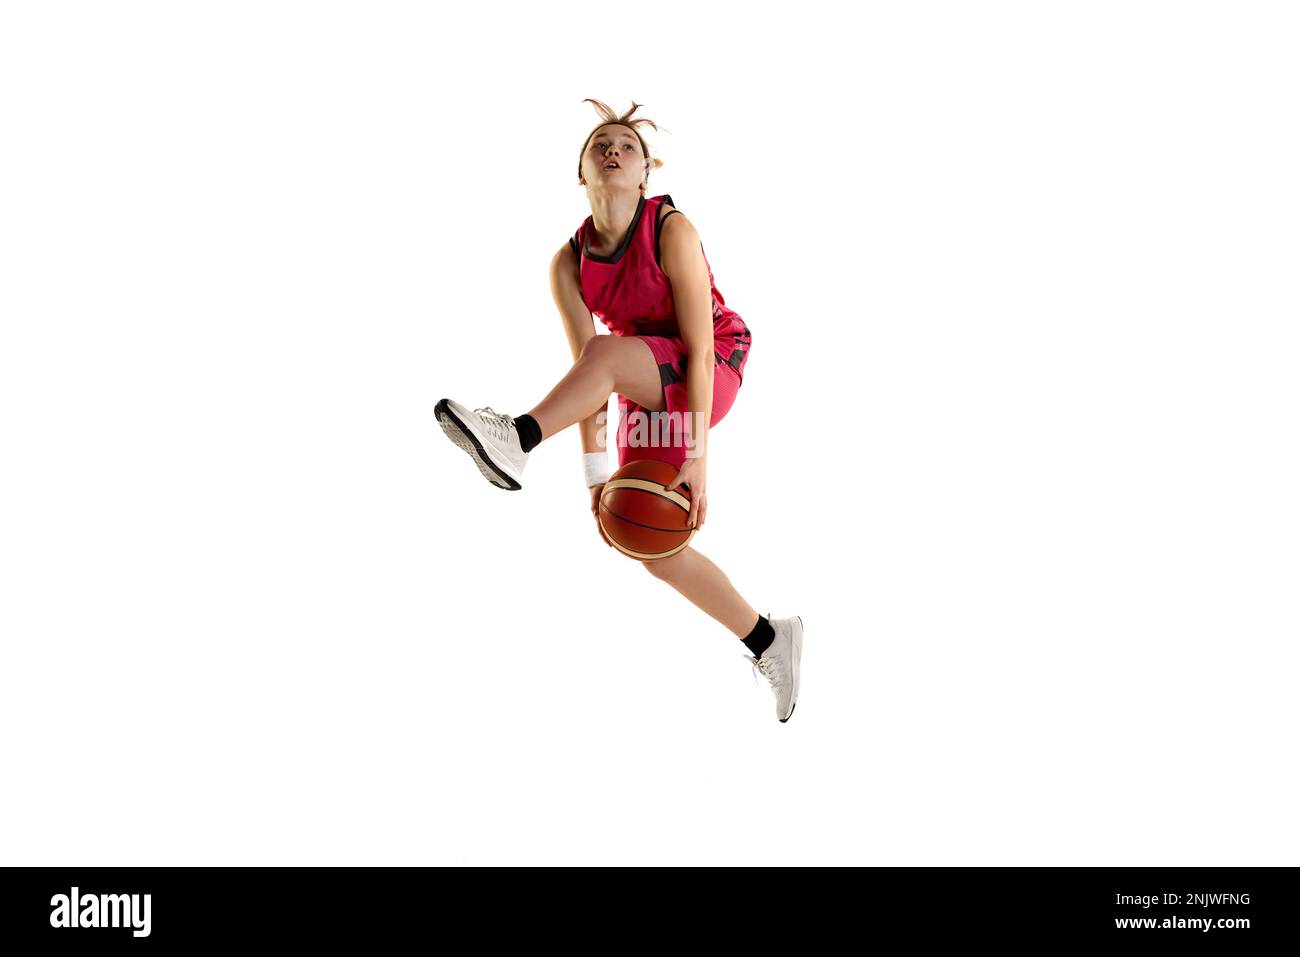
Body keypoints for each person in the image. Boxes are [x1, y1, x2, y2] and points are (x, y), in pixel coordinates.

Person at [435, 99, 803, 722]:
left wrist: (697, 457)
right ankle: (769, 639)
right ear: (581, 172)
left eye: (627, 146)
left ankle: (517, 437)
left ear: (644, 175)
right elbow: (590, 377)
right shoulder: (568, 264)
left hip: (707, 361)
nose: (613, 149)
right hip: (637, 373)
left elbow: (697, 343)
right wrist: (595, 476)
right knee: (637, 533)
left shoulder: (671, 229)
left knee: (608, 356)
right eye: (599, 144)